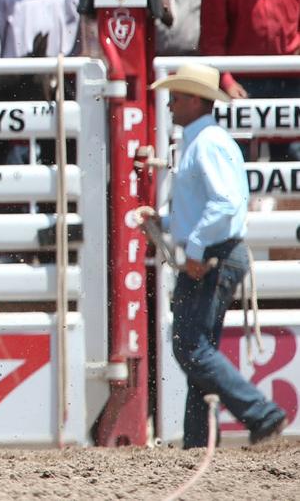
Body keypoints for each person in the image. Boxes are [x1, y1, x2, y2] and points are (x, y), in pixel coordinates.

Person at [134, 62, 287, 448]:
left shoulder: (206, 143)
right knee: (196, 348)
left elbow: (224, 204)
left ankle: (260, 412)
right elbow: (214, 205)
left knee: (191, 347)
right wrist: (166, 221)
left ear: (197, 101)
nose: (170, 104)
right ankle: (198, 441)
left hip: (213, 256)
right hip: (217, 252)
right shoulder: (206, 141)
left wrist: (197, 248)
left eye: (177, 97)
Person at [199, 0, 300, 162]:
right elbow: (212, 38)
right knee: (236, 158)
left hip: (291, 75)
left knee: (294, 157)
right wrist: (227, 82)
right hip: (242, 81)